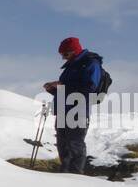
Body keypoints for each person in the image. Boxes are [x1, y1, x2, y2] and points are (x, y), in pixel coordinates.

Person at [42, 37, 103, 174]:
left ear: (74, 51)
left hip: (78, 112)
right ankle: (65, 176)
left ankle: (76, 179)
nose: (63, 58)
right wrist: (53, 89)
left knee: (75, 146)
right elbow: (68, 91)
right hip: (64, 111)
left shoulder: (91, 63)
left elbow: (90, 88)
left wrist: (63, 85)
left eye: (65, 54)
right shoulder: (71, 66)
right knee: (63, 147)